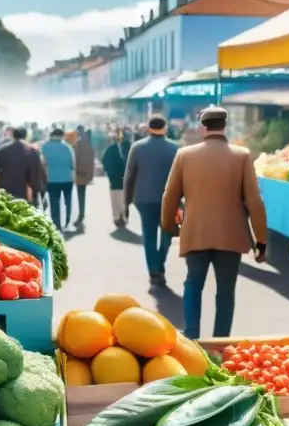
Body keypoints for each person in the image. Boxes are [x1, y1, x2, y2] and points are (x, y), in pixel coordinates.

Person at [162, 106, 267, 339]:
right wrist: (261, 240)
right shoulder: (242, 156)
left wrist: (168, 225)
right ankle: (220, 341)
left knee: (193, 284)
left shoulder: (185, 155)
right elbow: (255, 202)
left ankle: (192, 336)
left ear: (203, 126)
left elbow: (169, 196)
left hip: (195, 233)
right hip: (231, 236)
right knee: (226, 291)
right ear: (225, 125)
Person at [124, 116, 179, 285]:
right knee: (167, 234)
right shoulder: (175, 148)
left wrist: (126, 201)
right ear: (165, 127)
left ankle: (154, 271)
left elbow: (129, 175)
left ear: (148, 128)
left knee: (148, 235)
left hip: (143, 198)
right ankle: (159, 262)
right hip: (168, 199)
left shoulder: (137, 147)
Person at [41, 128, 75, 230]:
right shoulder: (67, 147)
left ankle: (57, 224)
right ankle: (68, 222)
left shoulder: (46, 147)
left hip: (51, 180)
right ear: (61, 136)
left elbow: (44, 162)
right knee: (67, 202)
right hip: (67, 179)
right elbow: (72, 164)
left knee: (54, 203)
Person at [0, 126, 37, 200]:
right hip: (24, 190)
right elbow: (36, 173)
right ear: (26, 136)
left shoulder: (2, 149)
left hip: (5, 189)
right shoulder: (31, 150)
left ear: (13, 135)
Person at [102, 128, 130, 228]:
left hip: (126, 177)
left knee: (125, 198)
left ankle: (124, 215)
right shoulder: (110, 148)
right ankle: (116, 217)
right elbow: (105, 161)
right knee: (115, 198)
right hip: (114, 178)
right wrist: (109, 172)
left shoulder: (128, 147)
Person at [73, 125, 95, 229]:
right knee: (82, 195)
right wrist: (90, 175)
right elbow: (91, 161)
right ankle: (81, 214)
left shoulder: (78, 144)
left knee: (80, 195)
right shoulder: (90, 145)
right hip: (85, 173)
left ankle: (81, 215)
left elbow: (74, 159)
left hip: (79, 173)